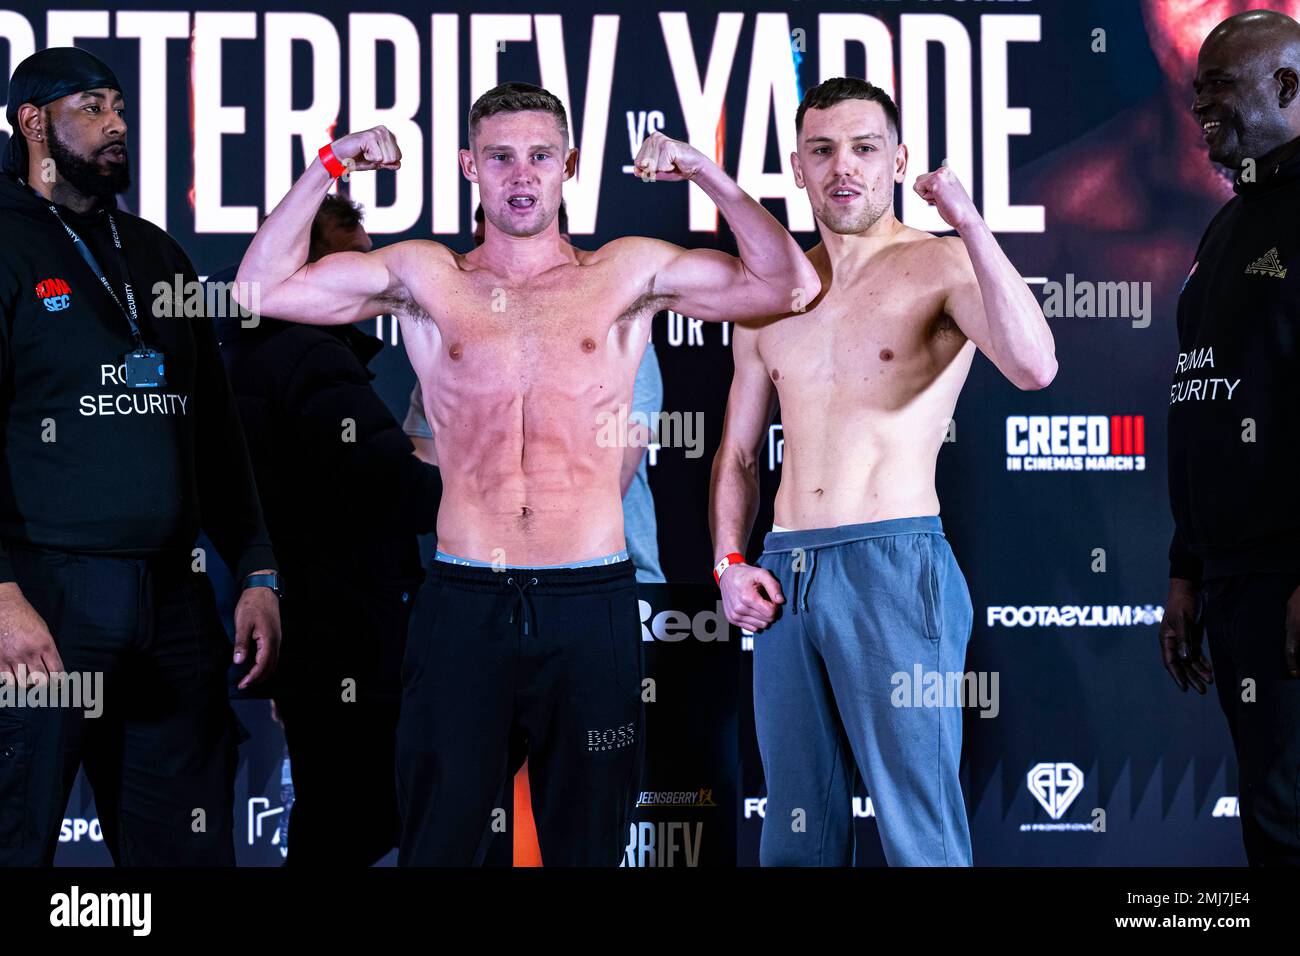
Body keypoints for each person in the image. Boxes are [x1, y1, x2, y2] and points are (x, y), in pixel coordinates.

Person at [235, 81, 820, 865]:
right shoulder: (425, 277)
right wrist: (329, 165)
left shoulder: (625, 275)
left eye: (540, 156)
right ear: (470, 167)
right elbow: (258, 288)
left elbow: (789, 284)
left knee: (586, 845)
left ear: (568, 165)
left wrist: (705, 175)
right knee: (439, 843)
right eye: (501, 157)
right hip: (463, 602)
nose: (521, 174)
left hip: (590, 602)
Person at [710, 77, 1056, 867]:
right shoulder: (772, 295)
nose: (845, 168)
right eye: (823, 150)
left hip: (894, 565)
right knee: (795, 835)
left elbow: (1035, 367)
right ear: (796, 167)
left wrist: (969, 223)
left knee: (918, 835)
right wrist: (730, 559)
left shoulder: (939, 265)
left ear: (897, 160)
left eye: (865, 148)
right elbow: (733, 455)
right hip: (785, 573)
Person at [0, 48, 280, 866]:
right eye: (91, 106)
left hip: (172, 596)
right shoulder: (6, 242)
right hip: (42, 595)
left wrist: (259, 570)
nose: (117, 122)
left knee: (185, 842)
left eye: (119, 105)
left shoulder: (154, 252)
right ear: (32, 122)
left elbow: (217, 436)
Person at [208, 193, 442, 866]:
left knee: (335, 814)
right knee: (351, 822)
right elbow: (396, 494)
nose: (373, 275)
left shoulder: (243, 352)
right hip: (348, 636)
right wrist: (486, 475)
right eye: (359, 258)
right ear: (315, 268)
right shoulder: (311, 356)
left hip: (301, 631)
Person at [1160, 8, 1300, 867]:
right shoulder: (1227, 225)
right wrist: (1188, 568)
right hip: (1235, 577)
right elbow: (1202, 403)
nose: (1199, 106)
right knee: (1271, 812)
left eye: (1219, 88)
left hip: (1291, 579)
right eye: (1197, 89)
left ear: (1288, 86)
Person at [404, 201, 666, 582]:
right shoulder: (451, 350)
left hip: (612, 574)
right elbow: (424, 467)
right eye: (481, 245)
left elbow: (615, 474)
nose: (492, 261)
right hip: (485, 576)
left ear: (564, 245)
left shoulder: (616, 333)